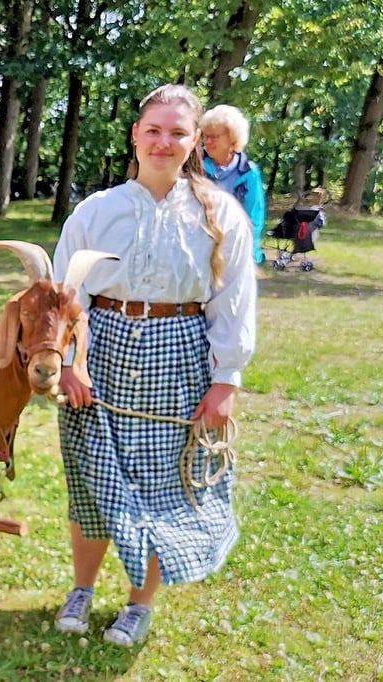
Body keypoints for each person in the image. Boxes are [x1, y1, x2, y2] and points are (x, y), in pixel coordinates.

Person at [51, 84, 256, 648]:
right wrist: (71, 362)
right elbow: (67, 297)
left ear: (194, 143)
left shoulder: (221, 215)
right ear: (136, 136)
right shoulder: (96, 211)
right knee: (91, 480)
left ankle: (139, 603)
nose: (164, 142)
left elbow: (233, 301)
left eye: (178, 133)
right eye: (154, 130)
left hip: (180, 356)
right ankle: (83, 589)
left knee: (165, 485)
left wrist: (225, 381)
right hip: (102, 354)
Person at [200, 104, 267, 266]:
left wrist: (249, 254)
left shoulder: (249, 172)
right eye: (205, 136)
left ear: (232, 138)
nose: (207, 142)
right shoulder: (195, 168)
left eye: (214, 137)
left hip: (236, 251)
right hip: (200, 250)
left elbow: (254, 218)